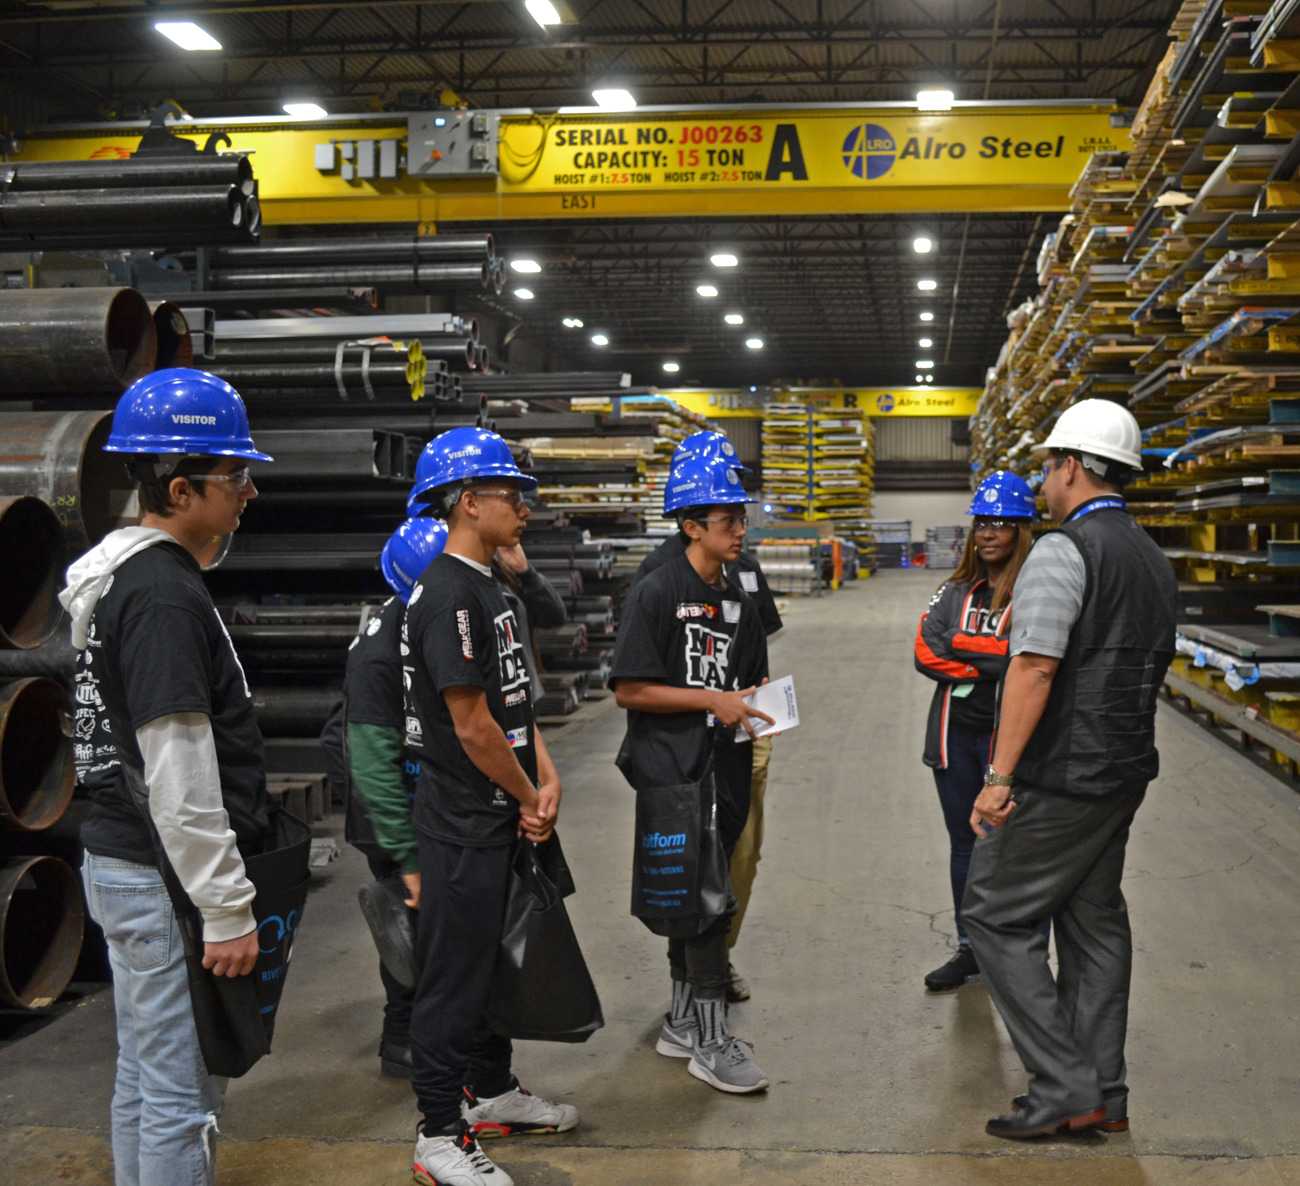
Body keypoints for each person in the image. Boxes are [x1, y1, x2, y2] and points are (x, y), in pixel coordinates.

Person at [59, 369, 273, 1186]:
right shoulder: (161, 597)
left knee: (146, 1076)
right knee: (184, 1093)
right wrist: (225, 908)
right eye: (236, 477)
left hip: (125, 861)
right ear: (181, 489)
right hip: (161, 876)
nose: (249, 491)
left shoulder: (123, 576)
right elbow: (179, 773)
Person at [962, 399, 1176, 1140]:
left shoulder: (1063, 550)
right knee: (1094, 924)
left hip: (1062, 775)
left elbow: (1035, 668)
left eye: (1050, 465)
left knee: (992, 912)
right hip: (1122, 771)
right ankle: (1103, 1095)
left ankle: (1061, 1086)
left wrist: (998, 777)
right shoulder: (1150, 556)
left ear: (1073, 468)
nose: (1045, 479)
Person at [401, 427, 577, 1186]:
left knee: (491, 971)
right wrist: (524, 791)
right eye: (512, 495)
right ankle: (438, 1132)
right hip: (463, 824)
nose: (525, 508)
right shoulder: (446, 596)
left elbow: (514, 704)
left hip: (504, 812)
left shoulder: (492, 587)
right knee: (451, 979)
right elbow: (471, 725)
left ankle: (492, 1093)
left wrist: (545, 776)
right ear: (469, 503)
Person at [611, 452, 775, 1094]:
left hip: (725, 764)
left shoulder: (737, 595)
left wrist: (756, 702)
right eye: (726, 519)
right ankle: (710, 1040)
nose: (739, 529)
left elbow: (751, 678)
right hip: (672, 770)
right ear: (691, 525)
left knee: (698, 890)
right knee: (706, 899)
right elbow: (630, 688)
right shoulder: (657, 590)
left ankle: (681, 1020)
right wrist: (711, 700)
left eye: (740, 517)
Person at [326, 516, 448, 1079]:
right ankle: (403, 1042)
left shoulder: (426, 624)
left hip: (422, 803)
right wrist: (405, 854)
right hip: (392, 813)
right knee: (408, 930)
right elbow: (370, 762)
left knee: (430, 931)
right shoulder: (381, 649)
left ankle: (416, 1037)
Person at [913, 471, 1034, 991]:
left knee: (1015, 848)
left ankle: (1021, 951)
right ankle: (970, 948)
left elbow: (1024, 658)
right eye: (982, 523)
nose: (988, 533)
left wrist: (964, 649)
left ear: (1022, 530)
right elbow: (924, 650)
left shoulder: (1034, 588)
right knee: (964, 843)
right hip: (955, 735)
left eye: (1001, 524)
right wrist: (980, 664)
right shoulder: (955, 588)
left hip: (1009, 741)